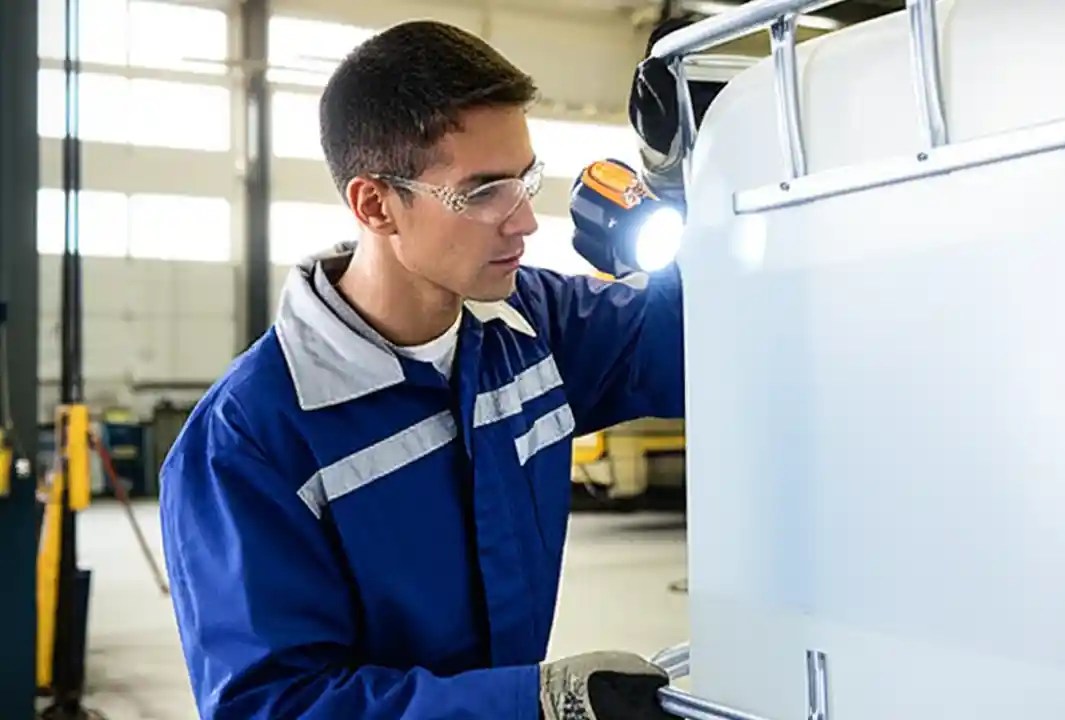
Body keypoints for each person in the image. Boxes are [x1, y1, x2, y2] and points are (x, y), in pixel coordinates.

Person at [158, 19, 684, 720]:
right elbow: (274, 705)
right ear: (376, 204)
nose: (524, 221)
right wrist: (533, 705)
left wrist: (692, 191)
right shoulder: (248, 444)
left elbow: (698, 345)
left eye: (525, 180)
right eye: (483, 192)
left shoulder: (528, 325)